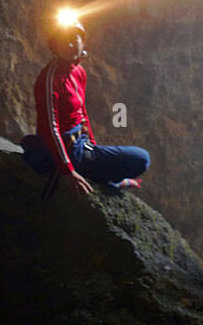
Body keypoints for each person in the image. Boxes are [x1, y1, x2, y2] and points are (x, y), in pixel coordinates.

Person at [22, 16, 150, 196]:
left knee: (137, 159)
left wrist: (93, 146)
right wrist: (68, 171)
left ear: (83, 41)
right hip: (63, 150)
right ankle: (109, 180)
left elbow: (82, 113)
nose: (70, 44)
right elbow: (50, 128)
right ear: (54, 45)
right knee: (141, 159)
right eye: (63, 40)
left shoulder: (78, 72)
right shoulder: (50, 79)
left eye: (75, 38)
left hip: (80, 145)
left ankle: (106, 177)